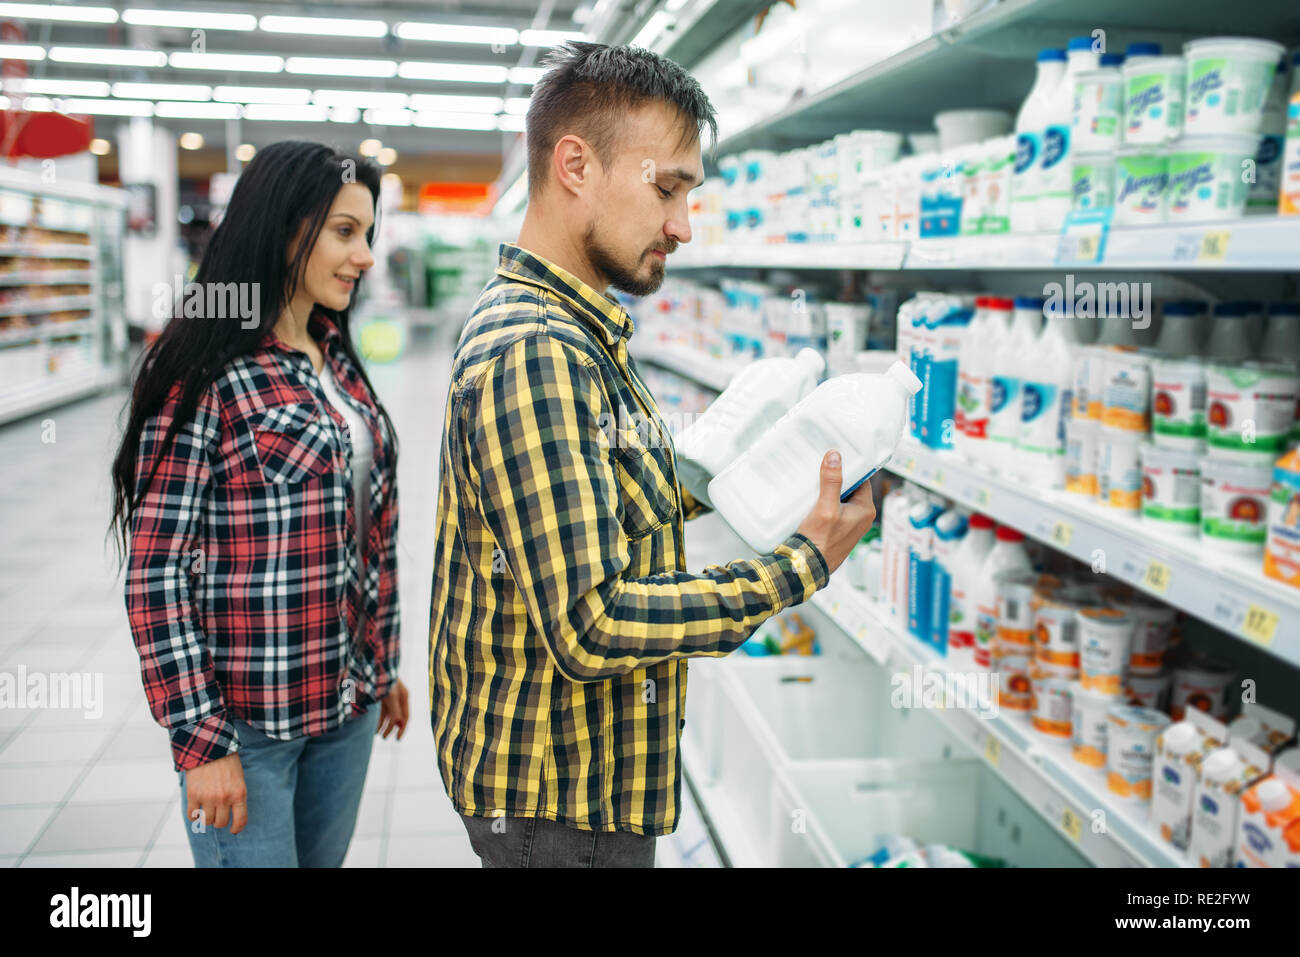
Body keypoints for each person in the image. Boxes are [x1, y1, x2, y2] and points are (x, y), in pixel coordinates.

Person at [429, 42, 876, 868]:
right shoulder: (537, 349)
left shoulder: (576, 329)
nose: (682, 223)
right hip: (555, 806)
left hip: (566, 789)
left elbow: (607, 499)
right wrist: (798, 565)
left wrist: (739, 469)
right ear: (576, 167)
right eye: (666, 187)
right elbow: (592, 624)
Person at [111, 141, 408, 868]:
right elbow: (156, 573)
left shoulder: (335, 355)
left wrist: (383, 663)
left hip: (347, 708)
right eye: (344, 231)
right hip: (249, 728)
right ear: (281, 229)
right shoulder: (203, 372)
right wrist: (199, 739)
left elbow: (365, 532)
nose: (365, 255)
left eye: (368, 233)